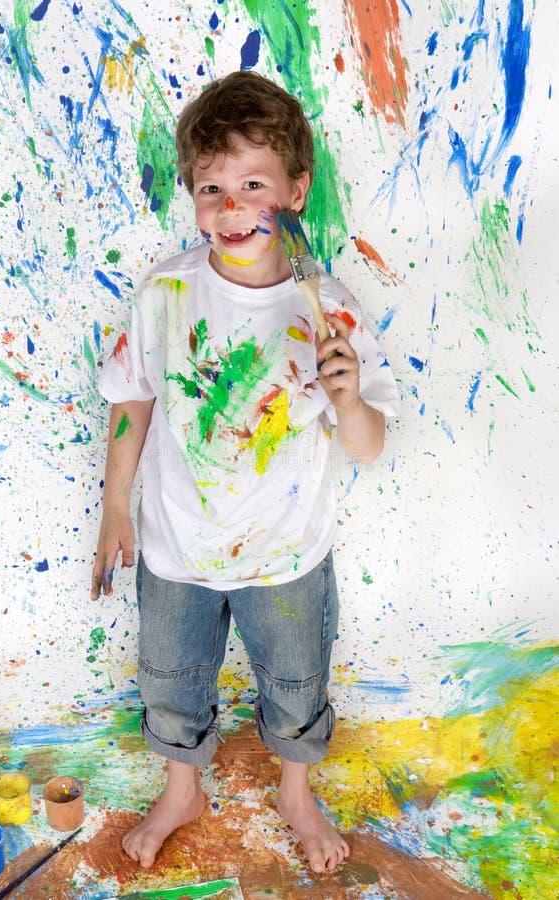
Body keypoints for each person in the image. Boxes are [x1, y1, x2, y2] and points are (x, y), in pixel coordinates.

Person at [91, 70, 399, 875]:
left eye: (252, 184)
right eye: (211, 187)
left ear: (295, 190)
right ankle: (181, 787)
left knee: (297, 684)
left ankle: (296, 793)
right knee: (169, 679)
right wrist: (114, 511)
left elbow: (366, 446)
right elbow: (132, 402)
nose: (230, 208)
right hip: (176, 548)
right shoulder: (165, 291)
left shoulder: (327, 308)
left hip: (288, 554)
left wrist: (348, 396)